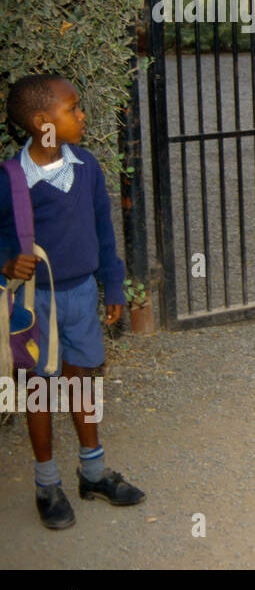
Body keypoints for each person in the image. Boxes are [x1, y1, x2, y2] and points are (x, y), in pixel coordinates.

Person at [0, 75, 145, 529]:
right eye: (73, 108)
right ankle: (47, 484)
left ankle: (94, 472)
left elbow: (105, 234)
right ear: (43, 122)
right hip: (34, 303)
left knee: (83, 380)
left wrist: (114, 287)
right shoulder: (10, 180)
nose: (83, 115)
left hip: (81, 295)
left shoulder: (86, 166)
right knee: (40, 390)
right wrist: (6, 264)